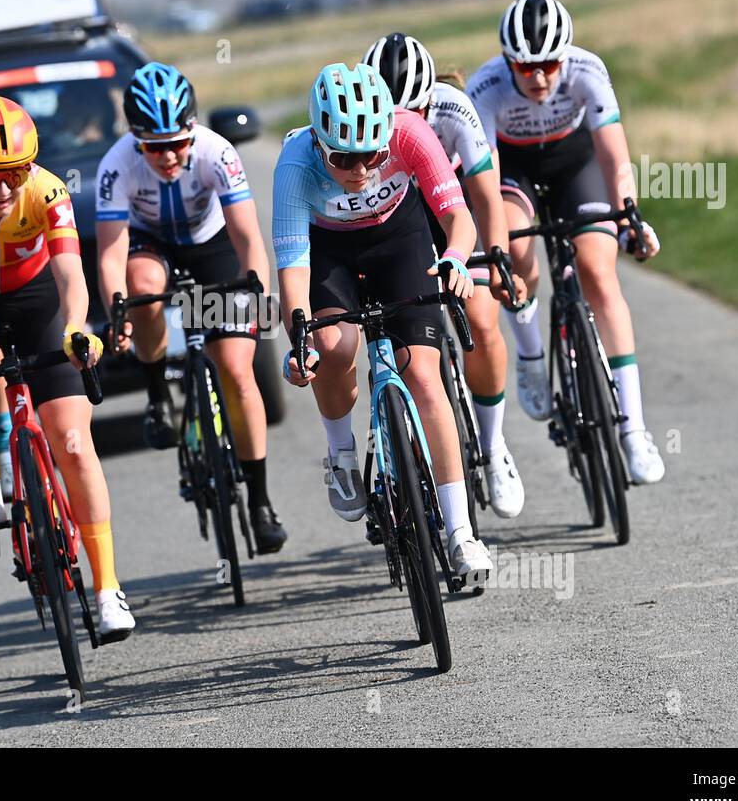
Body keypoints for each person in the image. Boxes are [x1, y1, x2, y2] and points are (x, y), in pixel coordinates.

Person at [0, 94, 136, 641]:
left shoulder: (47, 189)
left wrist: (77, 326)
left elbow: (69, 271)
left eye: (16, 172)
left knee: (75, 443)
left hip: (37, 299)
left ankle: (108, 589)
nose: (6, 188)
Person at [273, 62, 492, 581]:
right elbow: (293, 272)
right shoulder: (295, 165)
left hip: (400, 238)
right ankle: (341, 453)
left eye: (372, 154)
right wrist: (299, 338)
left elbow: (457, 217)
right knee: (334, 345)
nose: (361, 169)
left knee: (423, 377)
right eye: (344, 158)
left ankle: (462, 533)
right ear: (319, 144)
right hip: (330, 251)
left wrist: (457, 259)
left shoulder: (409, 133)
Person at [467, 0, 665, 483]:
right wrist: (493, 251)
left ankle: (635, 430)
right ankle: (532, 356)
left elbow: (614, 155)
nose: (538, 77)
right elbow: (485, 181)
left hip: (574, 163)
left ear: (565, 56)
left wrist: (629, 216)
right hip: (514, 169)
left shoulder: (587, 70)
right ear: (508, 61)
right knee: (515, 248)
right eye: (526, 66)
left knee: (598, 270)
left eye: (549, 64)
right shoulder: (486, 87)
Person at [95, 62, 285, 553]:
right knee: (141, 284)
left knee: (237, 371)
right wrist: (118, 312)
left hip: (211, 243)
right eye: (155, 147)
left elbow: (246, 236)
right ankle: (159, 393)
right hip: (149, 243)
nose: (168, 155)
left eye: (178, 142)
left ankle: (261, 500)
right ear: (136, 139)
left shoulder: (216, 152)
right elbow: (112, 255)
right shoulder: (117, 165)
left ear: (193, 128)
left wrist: (255, 290)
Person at [363, 33, 527, 519]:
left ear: (430, 98)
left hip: (450, 212)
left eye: (414, 112)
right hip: (393, 225)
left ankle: (494, 446)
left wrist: (496, 259)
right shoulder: (359, 121)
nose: (403, 126)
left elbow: (485, 195)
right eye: (393, 114)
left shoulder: (454, 109)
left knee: (481, 318)